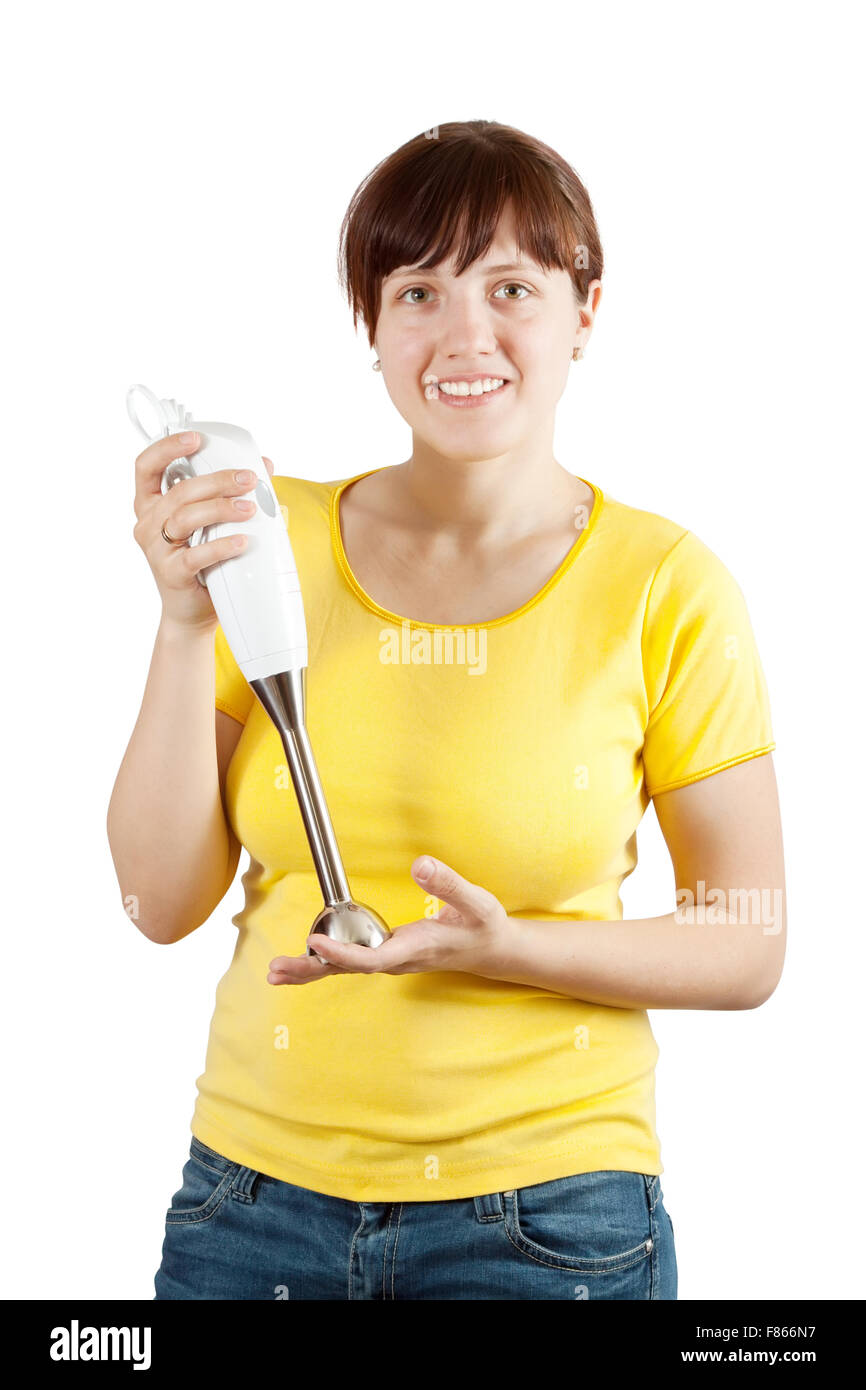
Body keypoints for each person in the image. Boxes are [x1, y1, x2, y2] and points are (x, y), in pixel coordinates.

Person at [107, 120, 785, 1301]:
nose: (463, 335)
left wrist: (505, 946)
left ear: (584, 312)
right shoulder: (265, 541)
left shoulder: (665, 587)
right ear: (370, 326)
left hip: (552, 1221)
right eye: (416, 290)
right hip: (249, 1211)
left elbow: (746, 939)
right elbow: (157, 903)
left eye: (511, 285)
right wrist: (180, 627)